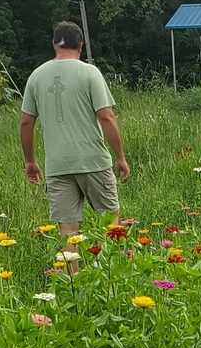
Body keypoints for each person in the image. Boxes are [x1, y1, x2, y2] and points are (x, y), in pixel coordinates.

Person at [19, 21, 130, 246]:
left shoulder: (36, 76)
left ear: (54, 44)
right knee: (109, 223)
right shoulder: (90, 73)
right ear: (81, 45)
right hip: (93, 161)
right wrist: (120, 157)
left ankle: (71, 280)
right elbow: (106, 117)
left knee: (67, 229)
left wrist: (30, 161)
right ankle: (110, 279)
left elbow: (25, 123)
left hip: (57, 165)